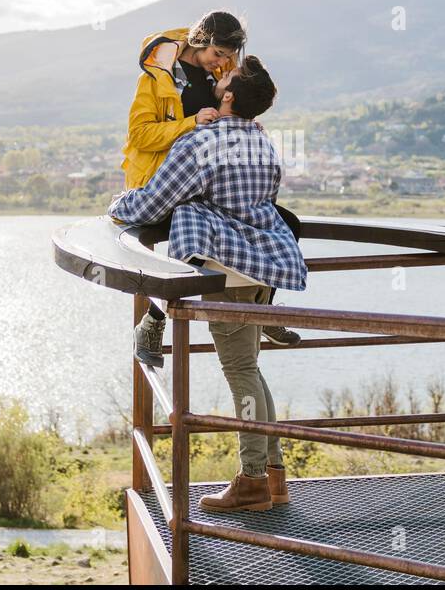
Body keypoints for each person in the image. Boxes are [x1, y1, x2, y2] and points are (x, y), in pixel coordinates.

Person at [109, 56, 304, 512]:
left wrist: (119, 200)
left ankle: (252, 481)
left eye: (227, 78)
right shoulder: (262, 142)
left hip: (228, 273)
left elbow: (153, 202)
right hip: (265, 267)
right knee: (251, 369)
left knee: (241, 373)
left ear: (230, 96)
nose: (219, 78)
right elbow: (268, 198)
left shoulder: (201, 142)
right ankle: (274, 478)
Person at [120, 11, 301, 367]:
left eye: (228, 58)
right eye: (218, 54)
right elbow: (139, 135)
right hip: (167, 182)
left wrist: (246, 126)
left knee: (286, 223)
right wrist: (190, 123)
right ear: (200, 40)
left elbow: (234, 104)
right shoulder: (157, 78)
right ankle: (154, 323)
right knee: (192, 240)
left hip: (208, 183)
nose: (223, 63)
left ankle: (263, 309)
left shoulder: (217, 70)